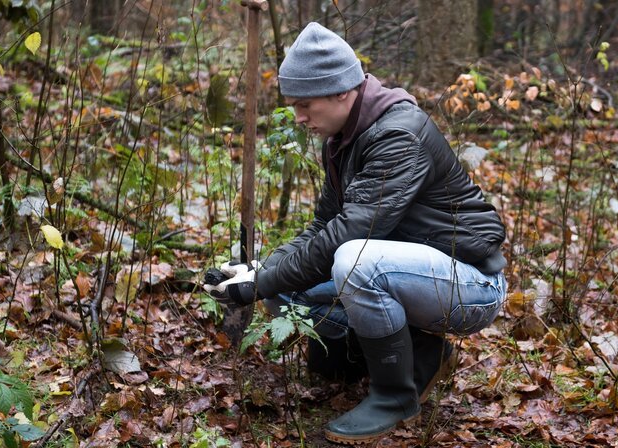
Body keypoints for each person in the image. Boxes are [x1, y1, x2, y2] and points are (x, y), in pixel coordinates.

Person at [204, 22, 507, 445]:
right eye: (293, 105)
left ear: (342, 91)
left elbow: (351, 233)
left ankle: (394, 397)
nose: (298, 117)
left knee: (354, 261)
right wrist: (260, 271)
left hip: (470, 286)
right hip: (412, 273)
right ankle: (420, 353)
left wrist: (263, 281)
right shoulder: (344, 137)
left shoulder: (398, 136)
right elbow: (322, 227)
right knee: (285, 289)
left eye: (305, 104)